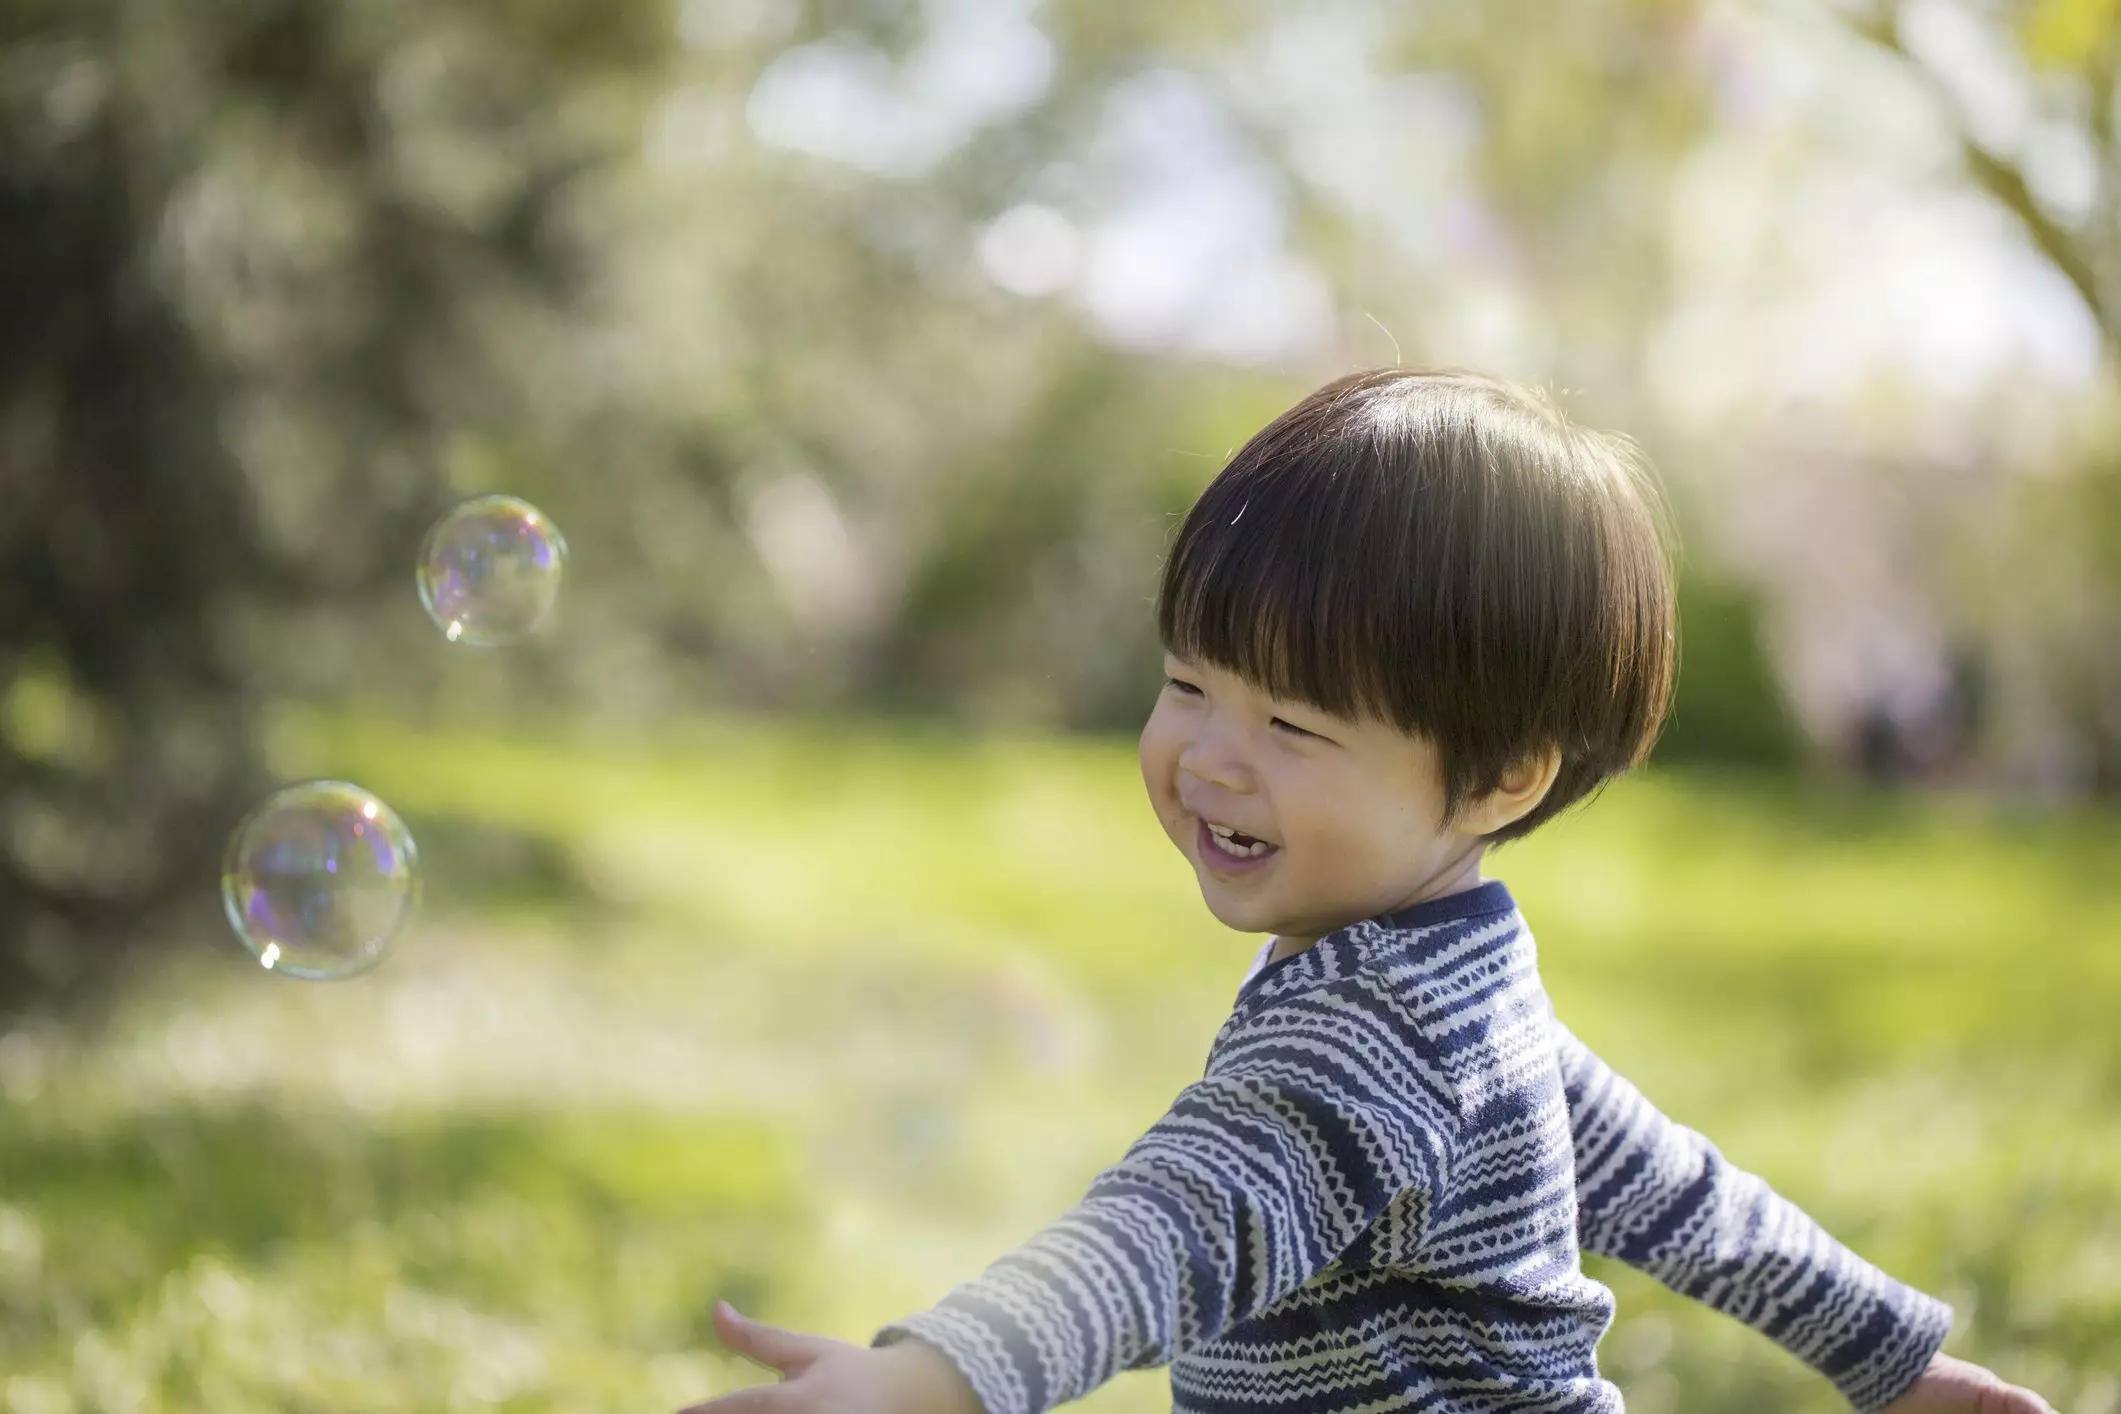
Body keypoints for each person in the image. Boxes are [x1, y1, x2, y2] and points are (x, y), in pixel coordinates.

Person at [675, 369, 2054, 1413]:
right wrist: (1896, 1359)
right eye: (1188, 683)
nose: (1211, 756)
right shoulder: (1457, 972)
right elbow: (1675, 1190)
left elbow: (1174, 1223)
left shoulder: (1373, 1033)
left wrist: (928, 1381)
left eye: (1294, 727)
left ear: (1502, 776)